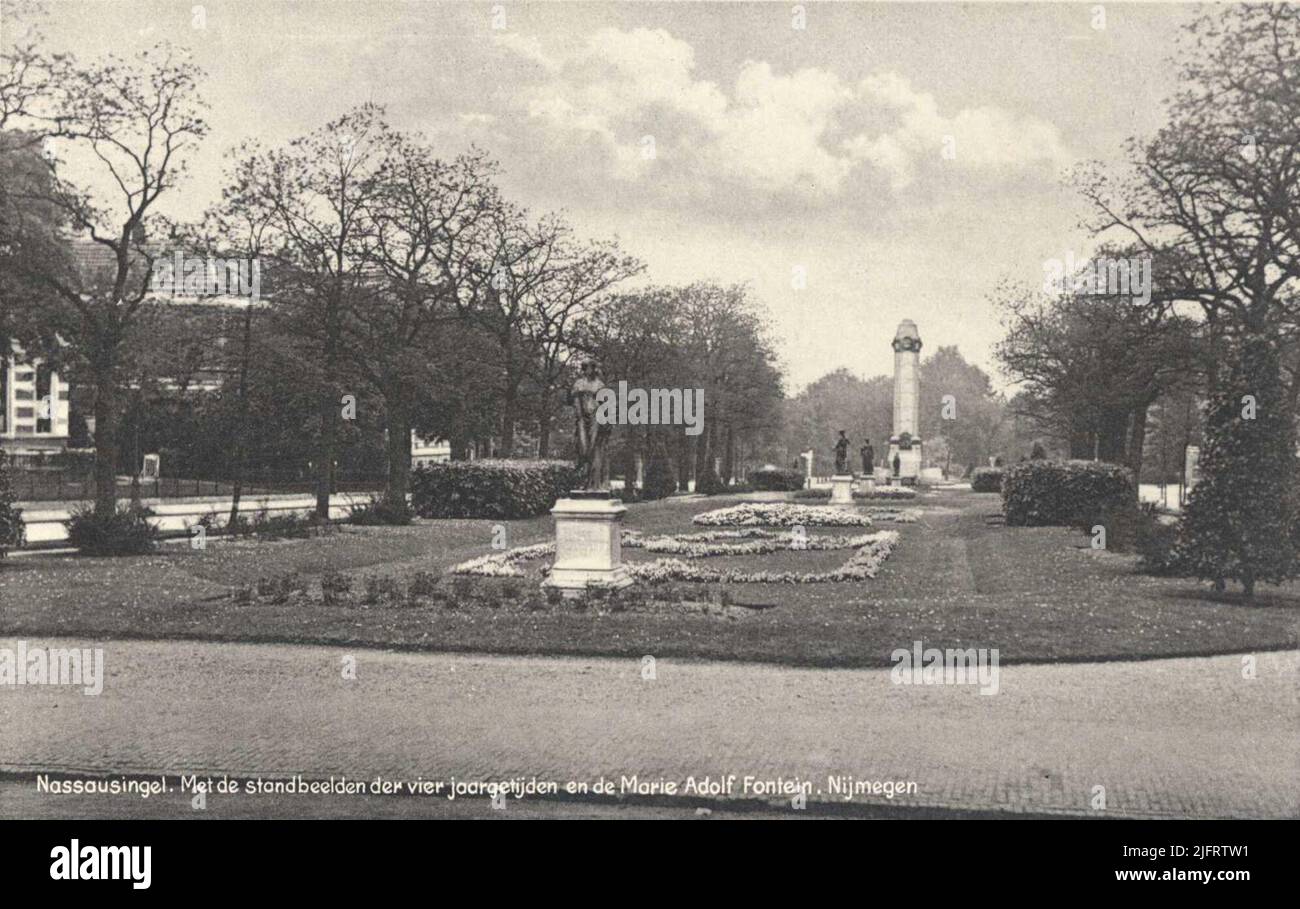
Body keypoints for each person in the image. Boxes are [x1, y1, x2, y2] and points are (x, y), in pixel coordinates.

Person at [568, 358, 610, 490]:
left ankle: (594, 483)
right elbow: (575, 402)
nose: (589, 371)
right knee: (583, 448)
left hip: (596, 418)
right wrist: (579, 415)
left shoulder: (600, 385)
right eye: (586, 368)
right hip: (582, 419)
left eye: (591, 368)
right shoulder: (578, 384)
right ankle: (583, 480)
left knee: (594, 448)